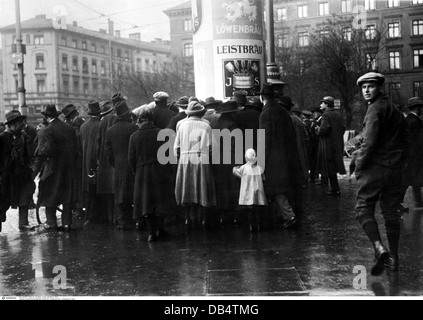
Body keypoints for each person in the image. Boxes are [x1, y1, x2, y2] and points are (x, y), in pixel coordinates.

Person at [351, 72, 410, 275]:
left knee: (363, 208)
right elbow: (406, 139)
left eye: (371, 86)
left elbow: (370, 141)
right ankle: (394, 258)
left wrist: (359, 163)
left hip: (376, 168)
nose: (366, 90)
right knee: (390, 212)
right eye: (364, 87)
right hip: (395, 169)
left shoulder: (374, 109)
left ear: (380, 88)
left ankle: (379, 247)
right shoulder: (393, 109)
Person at [258, 83, 302, 229]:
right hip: (288, 156)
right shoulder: (283, 111)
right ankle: (286, 215)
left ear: (261, 97)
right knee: (284, 187)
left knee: (276, 189)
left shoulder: (265, 114)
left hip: (273, 159)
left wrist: (261, 162)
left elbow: (264, 139)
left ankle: (289, 216)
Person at [129, 108, 173, 242]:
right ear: (152, 120)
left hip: (142, 172)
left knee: (145, 202)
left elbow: (131, 158)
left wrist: (136, 171)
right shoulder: (161, 133)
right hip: (159, 170)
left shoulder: (134, 136)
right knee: (159, 201)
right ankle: (161, 229)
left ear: (140, 121)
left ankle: (151, 232)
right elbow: (168, 156)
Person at [32, 105, 77, 232]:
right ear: (57, 115)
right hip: (69, 168)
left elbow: (43, 153)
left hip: (52, 169)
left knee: (50, 194)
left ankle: (51, 222)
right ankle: (67, 223)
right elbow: (76, 149)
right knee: (66, 195)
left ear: (46, 116)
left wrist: (34, 173)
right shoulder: (70, 129)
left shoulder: (46, 131)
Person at [174, 101, 217, 228]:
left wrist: (179, 159)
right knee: (202, 187)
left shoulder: (181, 126)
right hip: (201, 157)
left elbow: (176, 147)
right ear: (201, 113)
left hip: (185, 158)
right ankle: (202, 218)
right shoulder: (206, 126)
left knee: (187, 189)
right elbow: (212, 147)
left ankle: (188, 218)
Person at [0, 110, 35, 232]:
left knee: (24, 198)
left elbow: (26, 156)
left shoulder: (23, 136)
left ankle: (23, 223)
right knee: (3, 202)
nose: (23, 124)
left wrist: (29, 169)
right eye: (20, 122)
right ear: (12, 124)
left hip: (22, 173)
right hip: (7, 176)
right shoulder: (2, 138)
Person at [106, 101, 138, 230]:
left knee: (120, 194)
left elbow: (108, 153)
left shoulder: (110, 130)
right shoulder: (134, 128)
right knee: (133, 193)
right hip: (132, 166)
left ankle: (122, 221)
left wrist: (115, 164)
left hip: (118, 166)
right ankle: (134, 219)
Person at [214, 100, 242, 227]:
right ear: (232, 113)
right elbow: (236, 147)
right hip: (230, 160)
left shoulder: (216, 125)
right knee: (233, 188)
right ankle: (234, 216)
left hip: (218, 161)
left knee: (221, 189)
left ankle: (222, 216)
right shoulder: (234, 127)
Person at [316, 96, 346, 197]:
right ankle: (335, 189)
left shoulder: (326, 115)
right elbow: (342, 129)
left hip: (327, 145)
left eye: (322, 103)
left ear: (327, 104)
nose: (321, 105)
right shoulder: (338, 115)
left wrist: (317, 130)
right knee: (333, 166)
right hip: (337, 144)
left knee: (329, 167)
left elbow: (324, 130)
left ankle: (335, 189)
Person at [233, 148, 267, 232]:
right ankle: (259, 226)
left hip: (248, 194)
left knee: (250, 211)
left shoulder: (243, 168)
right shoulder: (259, 168)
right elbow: (264, 178)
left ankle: (251, 226)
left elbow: (235, 172)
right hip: (258, 193)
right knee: (258, 210)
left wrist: (234, 168)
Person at [80, 101, 103, 226]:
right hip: (96, 161)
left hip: (85, 162)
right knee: (97, 191)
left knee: (88, 192)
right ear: (99, 113)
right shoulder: (101, 125)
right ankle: (96, 216)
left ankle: (88, 215)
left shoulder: (83, 126)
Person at [62, 104, 85, 220]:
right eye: (75, 113)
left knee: (75, 185)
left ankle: (75, 208)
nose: (77, 115)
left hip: (71, 161)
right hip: (76, 161)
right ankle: (77, 208)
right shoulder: (74, 127)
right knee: (76, 185)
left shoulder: (70, 125)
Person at [402, 97, 423, 208]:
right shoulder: (415, 121)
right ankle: (418, 203)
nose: (422, 109)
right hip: (414, 156)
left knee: (412, 180)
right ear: (417, 108)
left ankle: (419, 202)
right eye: (421, 107)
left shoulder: (408, 120)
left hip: (410, 155)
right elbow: (419, 141)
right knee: (410, 180)